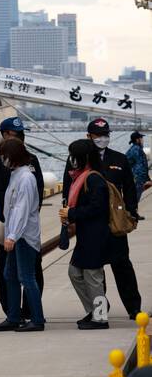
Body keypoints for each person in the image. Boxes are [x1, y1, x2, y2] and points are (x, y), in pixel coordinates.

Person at [64, 118, 142, 319]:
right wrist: (69, 217)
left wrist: (130, 212)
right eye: (98, 135)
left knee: (122, 265)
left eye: (105, 135)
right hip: (90, 225)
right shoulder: (77, 161)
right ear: (88, 136)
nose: (102, 139)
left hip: (113, 224)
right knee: (93, 272)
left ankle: (133, 307)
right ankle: (100, 309)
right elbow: (69, 189)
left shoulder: (119, 159)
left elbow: (129, 189)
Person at [0, 117, 44, 321]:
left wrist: (13, 234)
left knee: (28, 275)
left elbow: (23, 207)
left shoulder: (26, 173)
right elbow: (1, 197)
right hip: (10, 229)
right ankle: (12, 314)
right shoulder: (10, 171)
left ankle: (34, 317)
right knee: (8, 273)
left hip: (21, 233)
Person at [62, 139, 112, 329]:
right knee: (74, 272)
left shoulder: (94, 178)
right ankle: (95, 309)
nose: (72, 159)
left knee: (93, 277)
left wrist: (72, 214)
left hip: (95, 236)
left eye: (74, 155)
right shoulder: (80, 177)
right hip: (85, 235)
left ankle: (100, 318)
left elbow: (97, 208)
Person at [128, 131, 150, 204]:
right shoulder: (137, 149)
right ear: (137, 140)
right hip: (136, 178)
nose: (142, 140)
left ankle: (132, 212)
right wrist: (143, 179)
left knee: (134, 197)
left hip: (134, 177)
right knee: (135, 197)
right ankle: (132, 213)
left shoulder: (135, 148)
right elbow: (140, 166)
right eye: (141, 138)